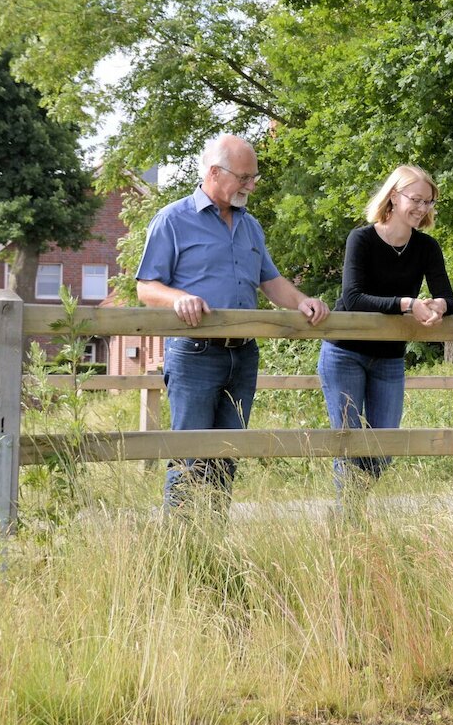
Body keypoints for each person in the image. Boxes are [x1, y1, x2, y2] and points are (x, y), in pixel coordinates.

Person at [136, 134, 330, 510]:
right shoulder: (172, 220)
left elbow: (270, 281)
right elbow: (146, 286)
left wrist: (304, 301)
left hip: (243, 356)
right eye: (244, 177)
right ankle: (179, 551)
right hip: (194, 354)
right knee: (189, 458)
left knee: (226, 457)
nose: (251, 185)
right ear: (214, 172)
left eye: (253, 177)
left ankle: (213, 548)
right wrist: (179, 299)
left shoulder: (250, 225)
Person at [319, 164, 453, 504]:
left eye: (429, 201)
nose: (423, 208)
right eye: (416, 199)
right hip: (345, 352)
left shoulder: (426, 247)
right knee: (350, 444)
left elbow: (450, 300)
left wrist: (438, 306)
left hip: (390, 357)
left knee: (384, 446)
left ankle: (350, 506)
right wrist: (408, 303)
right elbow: (353, 298)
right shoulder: (362, 238)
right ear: (393, 197)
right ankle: (348, 520)